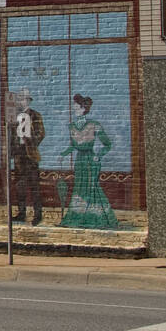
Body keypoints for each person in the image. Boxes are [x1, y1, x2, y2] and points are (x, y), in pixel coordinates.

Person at [58, 93, 117, 229]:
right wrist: (64, 154)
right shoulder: (72, 126)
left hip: (91, 161)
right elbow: (74, 145)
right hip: (80, 161)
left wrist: (99, 155)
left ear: (83, 108)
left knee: (91, 188)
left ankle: (97, 218)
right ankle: (79, 217)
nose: (73, 108)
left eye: (76, 106)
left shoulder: (94, 125)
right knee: (79, 188)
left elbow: (107, 144)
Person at [9, 89, 45, 225]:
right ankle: (21, 213)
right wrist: (13, 148)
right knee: (20, 185)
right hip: (19, 153)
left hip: (30, 153)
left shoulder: (35, 115)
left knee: (34, 185)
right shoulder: (14, 116)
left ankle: (38, 214)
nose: (21, 102)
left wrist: (30, 142)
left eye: (23, 99)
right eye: (19, 99)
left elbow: (41, 133)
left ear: (28, 101)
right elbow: (11, 134)